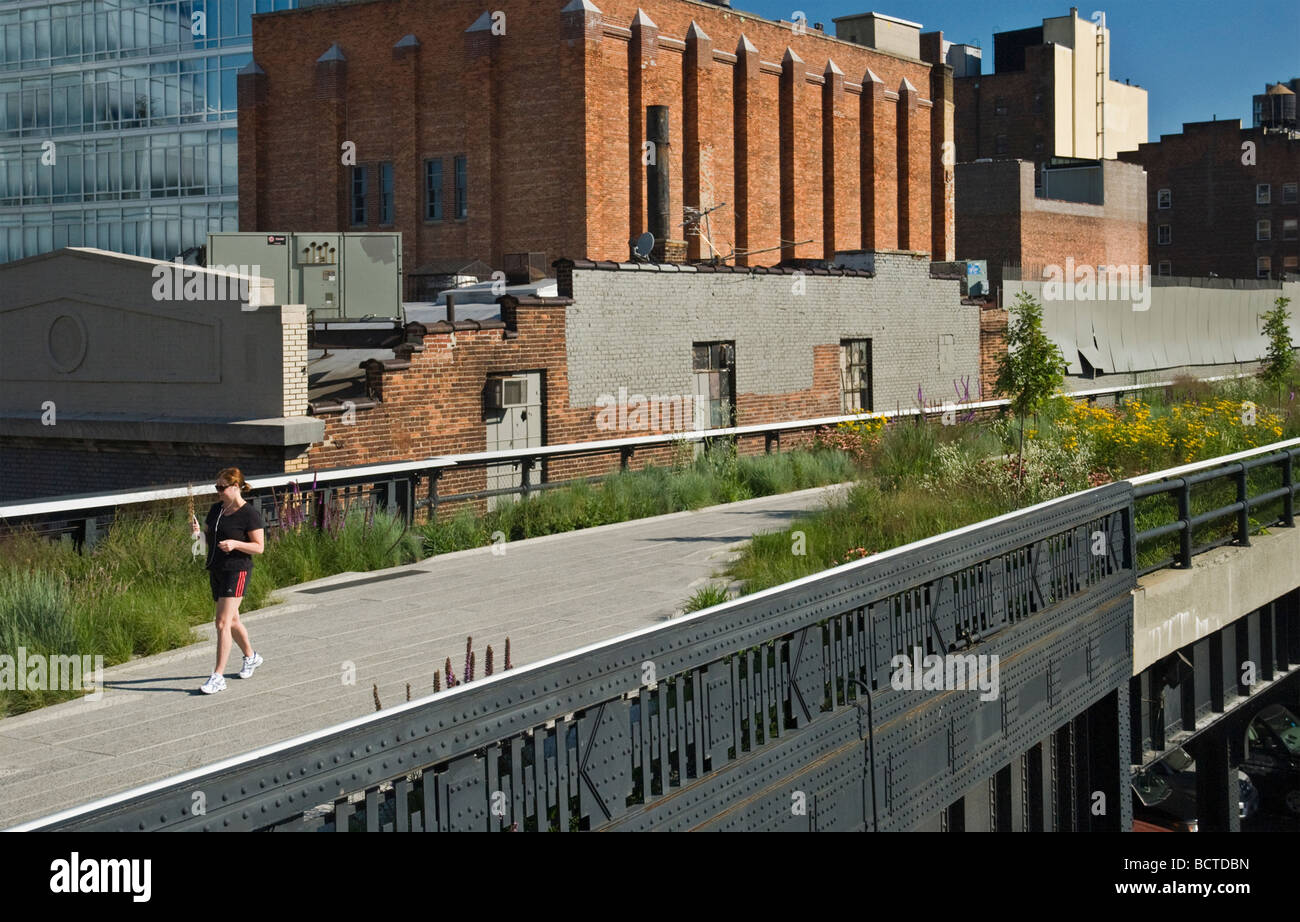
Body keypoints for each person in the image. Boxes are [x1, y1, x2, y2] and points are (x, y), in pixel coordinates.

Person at [190, 467, 265, 694]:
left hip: (237, 570)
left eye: (222, 487)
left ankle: (218, 676)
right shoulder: (216, 509)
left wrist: (235, 544)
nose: (218, 491)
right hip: (217, 568)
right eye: (217, 487)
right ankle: (251, 657)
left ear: (235, 487)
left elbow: (259, 547)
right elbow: (207, 542)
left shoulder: (249, 514)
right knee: (232, 621)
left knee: (221, 623)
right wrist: (198, 535)